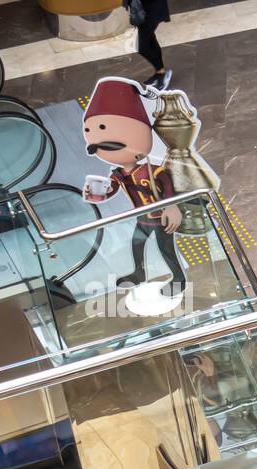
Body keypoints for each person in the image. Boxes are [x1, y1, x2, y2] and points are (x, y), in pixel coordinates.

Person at [82, 78, 186, 296]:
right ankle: (139, 273)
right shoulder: (118, 174)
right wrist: (94, 194)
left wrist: (172, 207)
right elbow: (109, 191)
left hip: (161, 219)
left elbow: (168, 188)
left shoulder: (154, 169)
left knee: (166, 250)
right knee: (137, 246)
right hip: (142, 219)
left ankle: (179, 279)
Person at [132, 0, 173, 90]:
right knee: (150, 40)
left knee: (142, 48)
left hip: (151, 9)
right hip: (144, 9)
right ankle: (160, 71)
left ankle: (162, 72)